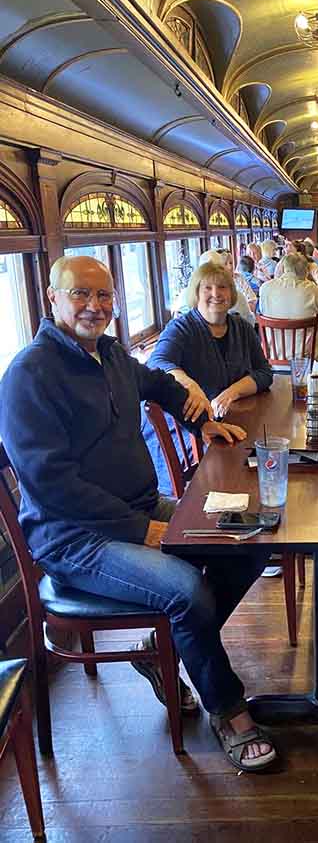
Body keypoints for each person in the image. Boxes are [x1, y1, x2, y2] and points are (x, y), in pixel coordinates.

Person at [0, 256, 279, 772]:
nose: (95, 306)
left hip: (141, 506)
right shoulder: (28, 375)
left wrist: (202, 426)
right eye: (81, 295)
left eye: (104, 296)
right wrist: (140, 530)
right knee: (186, 589)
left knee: (252, 540)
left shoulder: (109, 354)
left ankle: (161, 647)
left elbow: (160, 385)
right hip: (75, 539)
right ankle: (228, 709)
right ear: (51, 298)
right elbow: (52, 485)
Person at [144, 261, 273, 496]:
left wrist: (232, 391)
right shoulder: (181, 328)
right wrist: (189, 384)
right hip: (189, 434)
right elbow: (156, 363)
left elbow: (265, 372)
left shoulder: (242, 328)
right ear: (196, 293)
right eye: (207, 288)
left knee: (267, 454)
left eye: (222, 287)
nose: (216, 294)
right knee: (245, 465)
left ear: (232, 293)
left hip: (232, 421)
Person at [259, 252, 318, 361]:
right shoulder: (314, 290)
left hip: (273, 356)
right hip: (306, 359)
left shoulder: (265, 288)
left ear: (283, 268)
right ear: (306, 271)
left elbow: (262, 311)